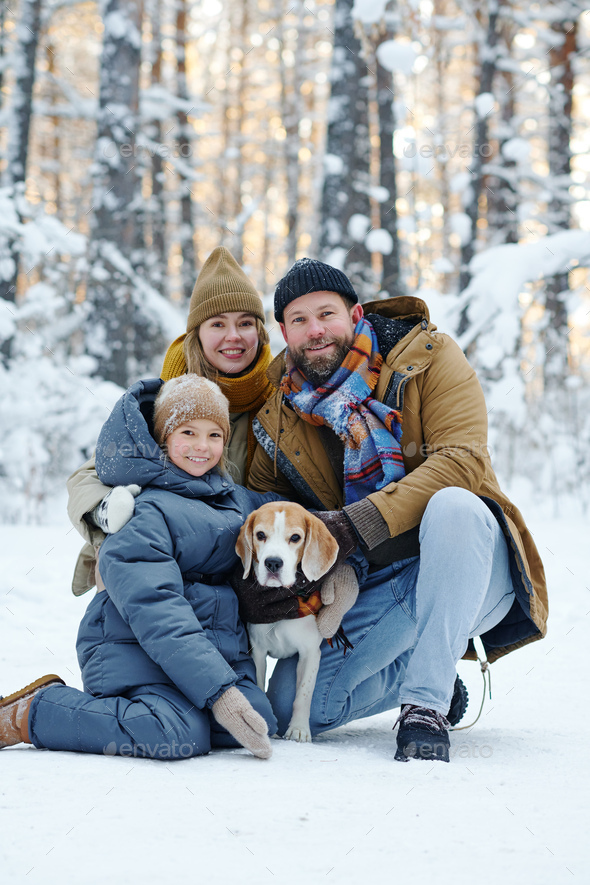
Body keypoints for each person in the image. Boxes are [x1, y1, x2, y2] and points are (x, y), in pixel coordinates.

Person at [238, 257, 548, 763]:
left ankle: (424, 706)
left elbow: (463, 461)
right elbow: (266, 506)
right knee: (291, 704)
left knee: (454, 506)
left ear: (355, 313)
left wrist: (358, 523)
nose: (315, 330)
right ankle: (431, 673)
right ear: (284, 331)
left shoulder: (430, 356)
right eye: (299, 320)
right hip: (380, 582)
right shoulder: (278, 413)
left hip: (469, 564)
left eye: (326, 313)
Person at [0, 375, 284, 759]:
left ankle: (197, 697)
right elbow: (155, 608)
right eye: (188, 432)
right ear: (164, 438)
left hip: (204, 655)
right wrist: (219, 692)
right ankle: (35, 712)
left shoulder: (235, 500)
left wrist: (354, 537)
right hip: (134, 648)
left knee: (257, 719)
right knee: (173, 734)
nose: (202, 446)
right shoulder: (144, 510)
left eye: (214, 435)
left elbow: (297, 518)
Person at [67, 246, 275, 598]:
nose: (234, 336)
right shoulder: (169, 398)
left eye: (245, 323)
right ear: (198, 333)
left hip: (235, 561)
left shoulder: (277, 400)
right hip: (161, 556)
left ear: (260, 331)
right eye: (218, 324)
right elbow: (92, 474)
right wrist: (108, 527)